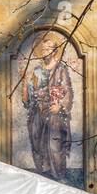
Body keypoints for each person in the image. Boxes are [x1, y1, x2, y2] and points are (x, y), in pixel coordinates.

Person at [21, 34, 74, 182]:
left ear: (54, 50)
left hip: (54, 113)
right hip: (37, 112)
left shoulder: (60, 69)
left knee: (54, 145)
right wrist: (26, 85)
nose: (45, 51)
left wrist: (60, 105)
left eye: (49, 48)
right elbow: (29, 94)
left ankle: (59, 176)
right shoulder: (36, 70)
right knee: (38, 143)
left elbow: (68, 90)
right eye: (43, 49)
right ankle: (43, 176)